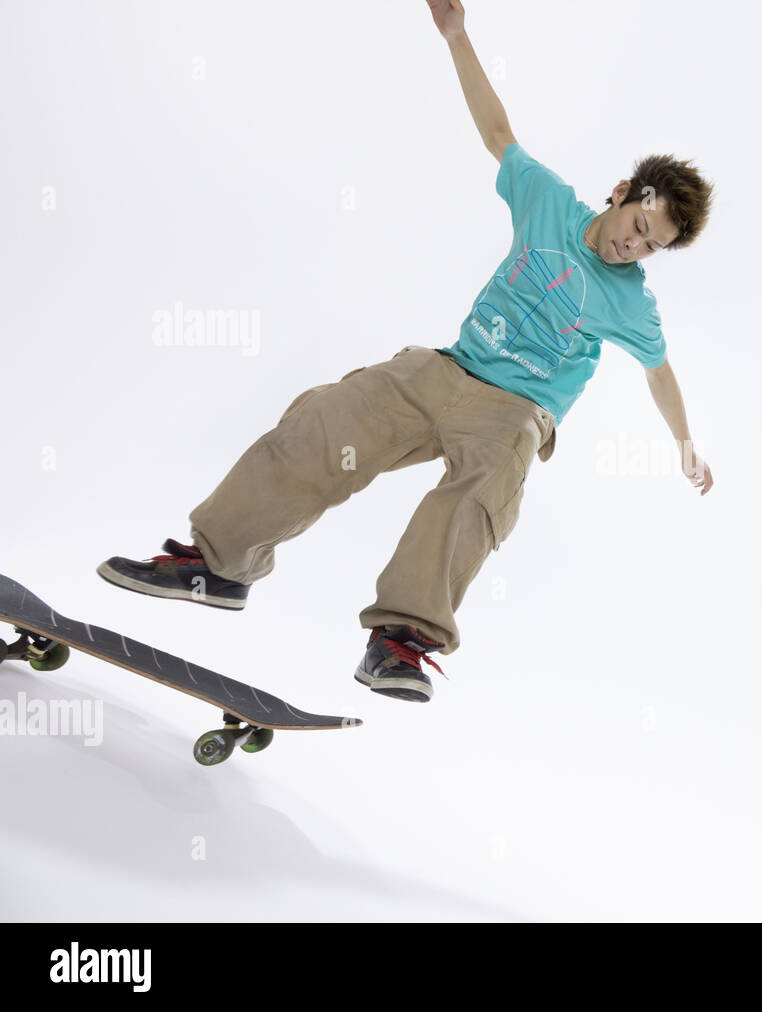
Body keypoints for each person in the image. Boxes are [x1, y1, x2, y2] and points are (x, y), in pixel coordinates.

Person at [97, 0, 715, 703]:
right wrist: (458, 38)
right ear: (621, 193)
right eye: (636, 225)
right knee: (330, 418)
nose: (631, 246)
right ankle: (218, 565)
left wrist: (685, 441)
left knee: (485, 481)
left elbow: (659, 373)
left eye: (649, 246)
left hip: (516, 409)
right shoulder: (546, 201)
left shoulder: (631, 300)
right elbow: (497, 131)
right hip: (446, 370)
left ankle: (402, 639)